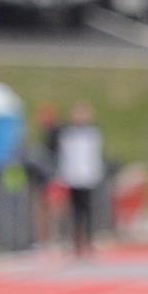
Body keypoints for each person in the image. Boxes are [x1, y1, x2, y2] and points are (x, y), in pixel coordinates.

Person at [56, 103, 106, 256]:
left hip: (87, 177)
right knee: (74, 211)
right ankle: (76, 242)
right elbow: (66, 156)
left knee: (88, 210)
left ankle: (89, 240)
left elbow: (94, 156)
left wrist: (95, 173)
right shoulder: (68, 135)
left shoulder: (93, 134)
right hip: (73, 177)